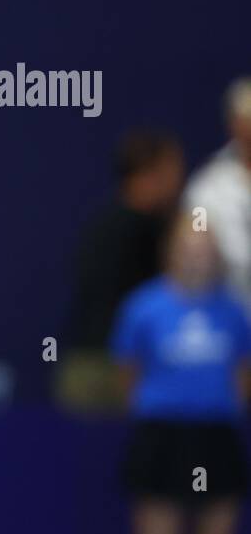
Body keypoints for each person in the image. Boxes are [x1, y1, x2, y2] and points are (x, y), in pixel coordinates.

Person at [112, 214, 250, 534]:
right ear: (170, 253)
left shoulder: (233, 312)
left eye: (205, 251)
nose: (196, 260)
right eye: (188, 250)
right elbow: (127, 376)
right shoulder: (143, 307)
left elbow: (243, 376)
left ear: (217, 258)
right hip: (162, 440)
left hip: (216, 440)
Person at [58, 130, 185, 413]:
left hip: (83, 366)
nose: (179, 180)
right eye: (173, 169)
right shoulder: (152, 234)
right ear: (151, 173)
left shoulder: (101, 225)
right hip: (116, 372)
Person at [185, 77, 251, 307]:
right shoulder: (207, 188)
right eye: (246, 117)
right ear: (234, 123)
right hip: (230, 312)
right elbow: (195, 237)